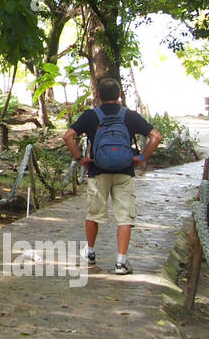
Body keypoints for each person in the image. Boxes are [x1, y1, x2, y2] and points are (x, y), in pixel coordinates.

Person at [61, 77, 161, 275]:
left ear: (97, 95)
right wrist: (141, 157)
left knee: (94, 214)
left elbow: (68, 136)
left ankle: (90, 253)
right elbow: (156, 137)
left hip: (98, 171)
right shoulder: (130, 116)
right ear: (119, 96)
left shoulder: (91, 116)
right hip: (125, 170)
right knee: (124, 218)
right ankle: (121, 263)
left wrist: (80, 158)